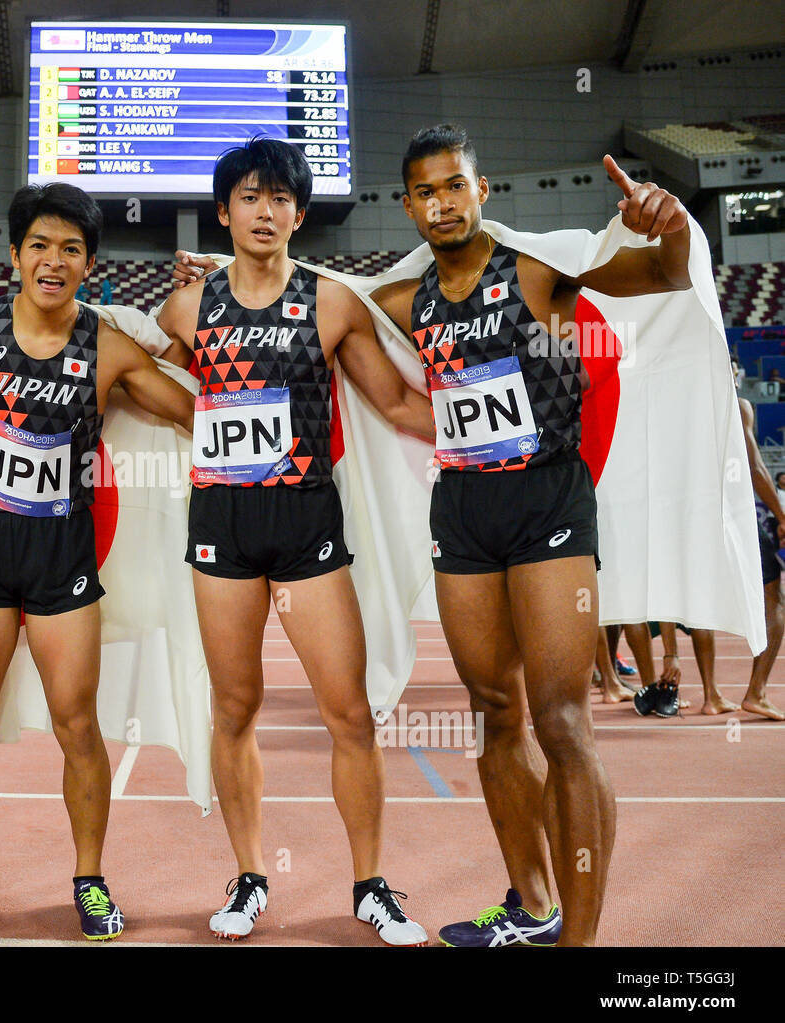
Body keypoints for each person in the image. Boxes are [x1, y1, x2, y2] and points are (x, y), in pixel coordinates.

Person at [175, 125, 695, 946]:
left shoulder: (538, 269)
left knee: (562, 720)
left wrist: (669, 227)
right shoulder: (398, 302)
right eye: (424, 190)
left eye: (455, 185)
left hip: (549, 504)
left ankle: (581, 938)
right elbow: (306, 321)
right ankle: (530, 905)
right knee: (496, 711)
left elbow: (661, 277)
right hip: (462, 514)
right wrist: (217, 282)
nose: (441, 202)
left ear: (480, 190)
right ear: (407, 204)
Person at [0, 183, 196, 942]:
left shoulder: (109, 347)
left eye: (70, 249)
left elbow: (195, 408)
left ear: (88, 263)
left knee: (77, 725)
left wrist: (190, 324)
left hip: (64, 561)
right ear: (16, 254)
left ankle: (89, 880)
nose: (53, 261)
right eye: (40, 246)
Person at [157, 138, 435, 945]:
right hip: (222, 529)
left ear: (300, 214)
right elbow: (156, 398)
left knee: (348, 712)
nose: (266, 211)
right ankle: (248, 877)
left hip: (309, 525)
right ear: (224, 212)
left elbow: (396, 405)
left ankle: (371, 887)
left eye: (280, 199)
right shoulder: (187, 309)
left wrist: (511, 433)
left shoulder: (333, 302)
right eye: (249, 197)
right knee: (234, 708)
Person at [736, 395, 785, 720]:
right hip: (735, 516)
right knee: (774, 603)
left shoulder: (682, 398)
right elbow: (755, 468)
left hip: (692, 515)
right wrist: (782, 516)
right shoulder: (739, 405)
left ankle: (709, 693)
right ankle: (757, 691)